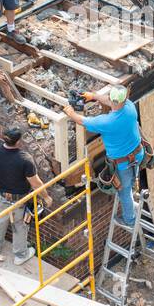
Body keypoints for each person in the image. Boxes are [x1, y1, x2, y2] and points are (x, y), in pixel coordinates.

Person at [64, 85, 144, 228]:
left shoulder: (106, 122)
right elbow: (111, 101)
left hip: (123, 164)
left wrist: (71, 113)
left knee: (124, 191)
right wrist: (93, 96)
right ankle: (132, 197)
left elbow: (83, 121)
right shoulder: (130, 107)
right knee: (130, 182)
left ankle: (130, 220)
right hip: (137, 154)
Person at [0, 127, 45, 265]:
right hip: (19, 200)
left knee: (0, 219)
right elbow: (36, 183)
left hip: (1, 196)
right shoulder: (24, 159)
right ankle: (20, 254)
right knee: (19, 225)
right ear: (18, 142)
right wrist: (47, 197)